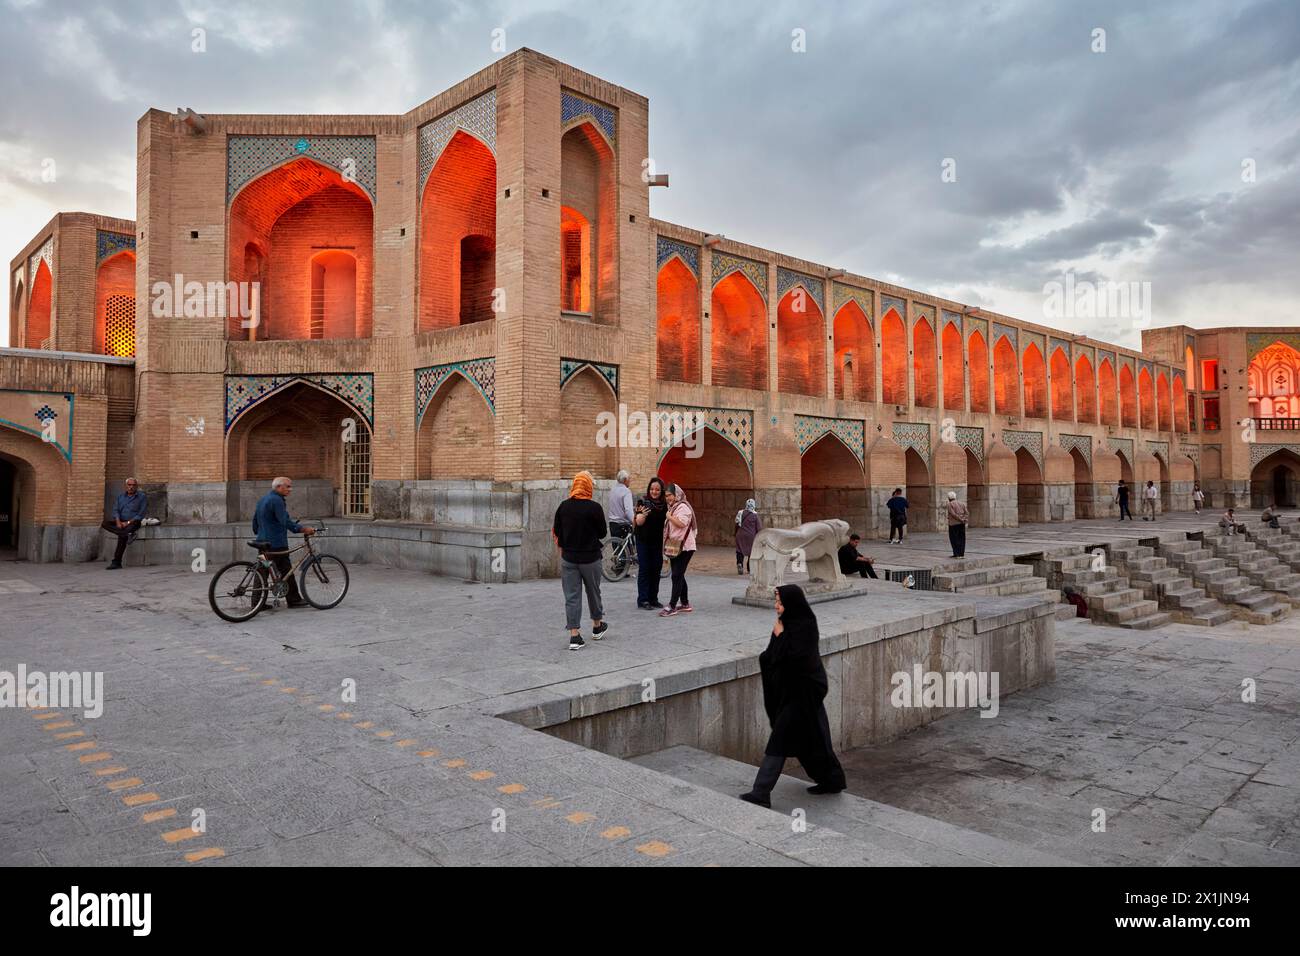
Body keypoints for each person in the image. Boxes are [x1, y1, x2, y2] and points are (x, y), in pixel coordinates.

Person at [740, 584, 846, 808]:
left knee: (780, 738)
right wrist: (778, 639)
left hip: (806, 691)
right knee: (815, 737)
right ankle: (832, 780)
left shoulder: (805, 625)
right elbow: (771, 658)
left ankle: (761, 792)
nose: (777, 607)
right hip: (792, 690)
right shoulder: (784, 624)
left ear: (792, 604)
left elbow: (798, 661)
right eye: (776, 602)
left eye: (780, 603)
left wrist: (781, 638)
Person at [552, 471, 609, 650]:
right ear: (588, 486)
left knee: (571, 597)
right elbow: (602, 533)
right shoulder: (594, 507)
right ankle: (597, 626)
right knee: (593, 592)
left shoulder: (564, 507)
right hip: (590, 559)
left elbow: (557, 531)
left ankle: (574, 636)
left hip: (569, 558)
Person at [252, 477, 316, 607]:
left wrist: (260, 534)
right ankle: (294, 600)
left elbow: (255, 522)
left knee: (262, 572)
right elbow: (284, 521)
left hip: (263, 542)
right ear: (278, 487)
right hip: (276, 544)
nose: (290, 489)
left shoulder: (263, 499)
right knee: (286, 570)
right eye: (287, 486)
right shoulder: (277, 500)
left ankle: (257, 603)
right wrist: (302, 529)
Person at [101, 477, 159, 570]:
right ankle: (128, 534)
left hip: (133, 522)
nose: (131, 487)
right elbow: (116, 510)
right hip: (121, 521)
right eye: (129, 485)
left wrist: (126, 523)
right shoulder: (120, 497)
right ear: (126, 486)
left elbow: (141, 513)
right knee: (105, 523)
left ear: (136, 486)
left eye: (133, 485)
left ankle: (116, 562)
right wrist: (118, 522)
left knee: (122, 537)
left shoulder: (141, 497)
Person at [660, 483, 697, 617]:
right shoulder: (673, 507)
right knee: (678, 574)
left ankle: (672, 605)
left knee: (676, 575)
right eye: (666, 496)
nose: (668, 498)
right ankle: (685, 603)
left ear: (677, 495)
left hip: (685, 547)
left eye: (670, 495)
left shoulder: (683, 507)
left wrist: (669, 517)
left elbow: (682, 523)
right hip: (675, 546)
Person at [633, 477, 667, 610]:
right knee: (645, 569)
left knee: (656, 568)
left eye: (657, 489)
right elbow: (638, 521)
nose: (654, 491)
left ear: (661, 491)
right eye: (652, 489)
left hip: (657, 541)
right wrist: (642, 515)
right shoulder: (643, 502)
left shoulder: (664, 505)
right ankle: (643, 599)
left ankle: (653, 598)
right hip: (643, 541)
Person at [735, 498, 762, 575]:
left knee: (739, 551)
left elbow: (736, 525)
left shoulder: (740, 513)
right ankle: (749, 567)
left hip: (740, 535)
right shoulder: (755, 515)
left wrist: (736, 534)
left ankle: (739, 563)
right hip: (751, 537)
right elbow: (759, 528)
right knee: (752, 552)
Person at [946, 491, 970, 558]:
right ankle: (961, 553)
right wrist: (964, 519)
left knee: (954, 538)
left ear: (949, 498)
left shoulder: (950, 504)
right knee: (962, 538)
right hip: (961, 524)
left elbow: (953, 514)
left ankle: (956, 553)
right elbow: (967, 513)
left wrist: (960, 519)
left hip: (953, 524)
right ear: (955, 497)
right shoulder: (962, 503)